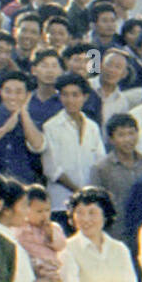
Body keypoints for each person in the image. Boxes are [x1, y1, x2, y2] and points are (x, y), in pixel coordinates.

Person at [43, 72, 107, 212]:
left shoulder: (92, 127)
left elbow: (100, 162)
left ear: (85, 97)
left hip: (90, 203)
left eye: (75, 95)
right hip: (60, 202)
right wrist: (79, 191)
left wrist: (90, 194)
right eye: (65, 95)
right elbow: (52, 169)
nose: (70, 100)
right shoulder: (51, 126)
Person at [89, 114, 142, 241]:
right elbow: (96, 205)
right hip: (116, 234)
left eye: (131, 133)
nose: (128, 139)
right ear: (111, 139)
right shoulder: (101, 169)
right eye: (121, 135)